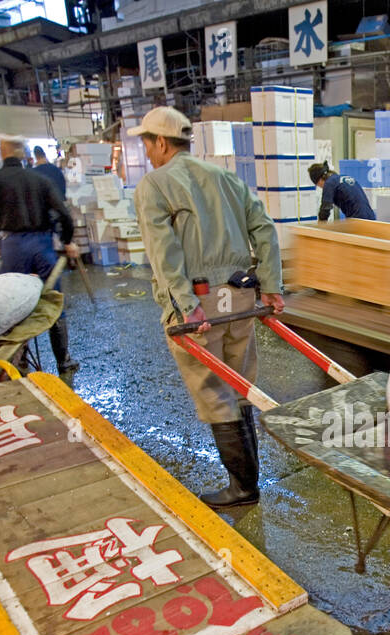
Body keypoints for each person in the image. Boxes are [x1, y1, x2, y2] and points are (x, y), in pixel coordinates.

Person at [131, 106, 285, 509]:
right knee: (240, 384)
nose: (147, 152)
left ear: (161, 142)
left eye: (147, 143)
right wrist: (270, 286)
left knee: (213, 391)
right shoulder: (224, 177)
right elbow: (263, 228)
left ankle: (243, 488)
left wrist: (184, 306)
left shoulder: (155, 184)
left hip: (198, 301)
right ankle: (249, 479)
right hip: (240, 295)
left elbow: (163, 254)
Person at [0, 135, 79, 382]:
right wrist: (67, 241)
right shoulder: (40, 179)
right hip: (43, 245)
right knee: (54, 302)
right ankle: (64, 359)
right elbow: (64, 214)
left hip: (12, 245)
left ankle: (19, 362)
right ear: (23, 154)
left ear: (2, 152)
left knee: (13, 305)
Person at [308, 162, 376, 222]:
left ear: (319, 180)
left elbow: (325, 209)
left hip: (358, 221)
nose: (321, 187)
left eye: (318, 185)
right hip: (371, 218)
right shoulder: (343, 177)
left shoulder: (329, 183)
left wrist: (319, 227)